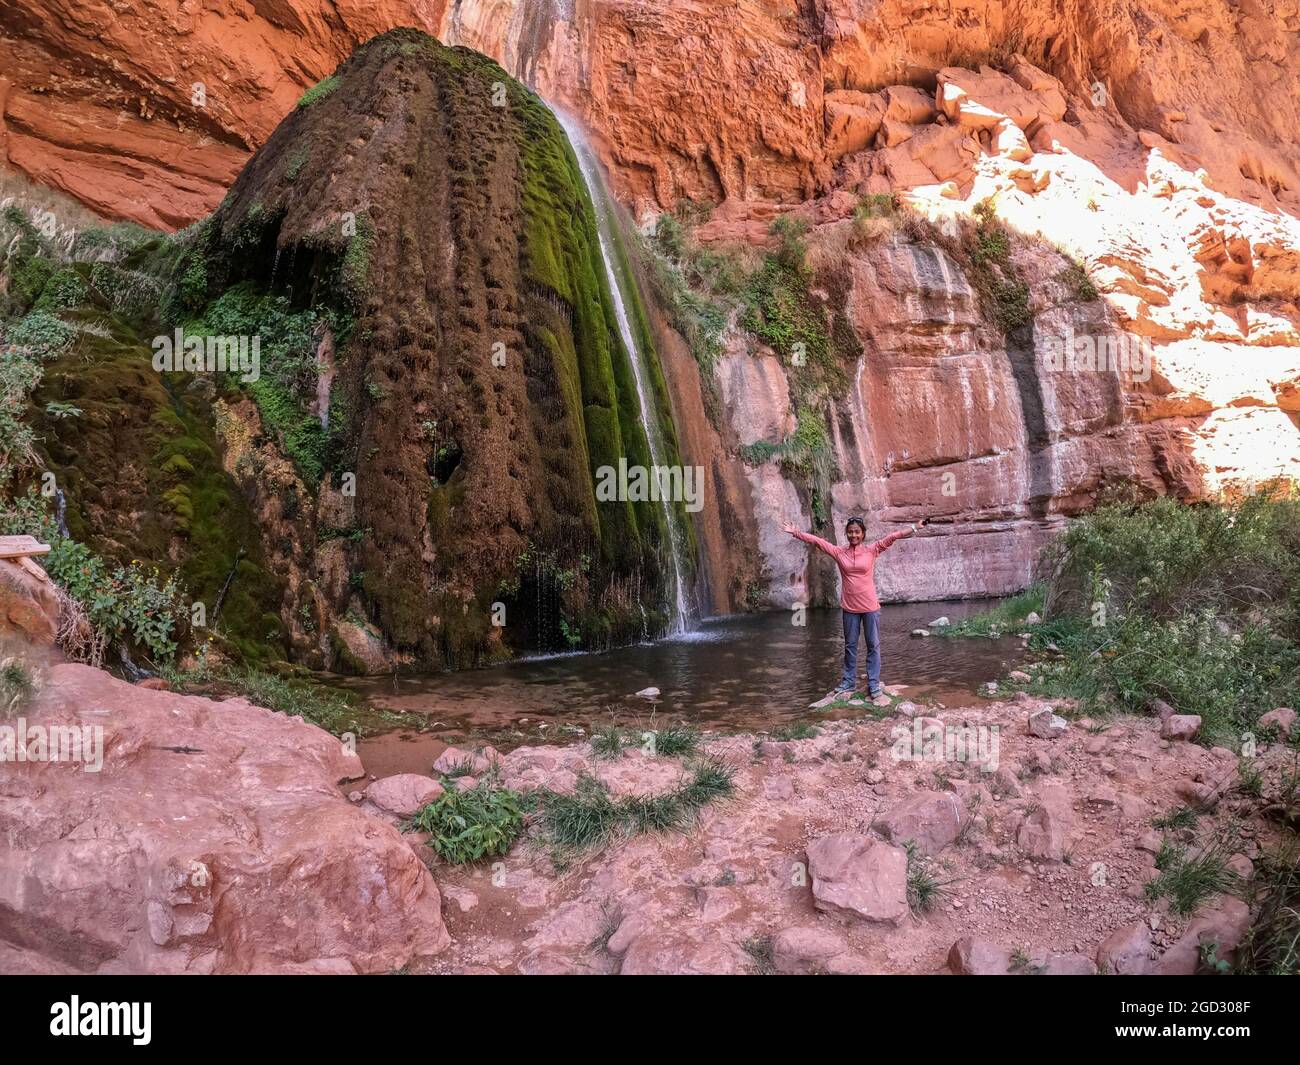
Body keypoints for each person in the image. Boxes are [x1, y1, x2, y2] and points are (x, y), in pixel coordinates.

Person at [780, 515, 929, 697]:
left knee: (873, 645)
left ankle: (873, 684)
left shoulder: (872, 550)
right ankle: (848, 682)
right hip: (850, 608)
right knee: (850, 646)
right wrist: (795, 532)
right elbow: (817, 541)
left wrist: (915, 526)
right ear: (847, 534)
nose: (853, 535)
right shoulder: (839, 552)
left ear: (863, 533)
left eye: (857, 532)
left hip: (870, 607)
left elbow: (893, 536)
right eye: (850, 532)